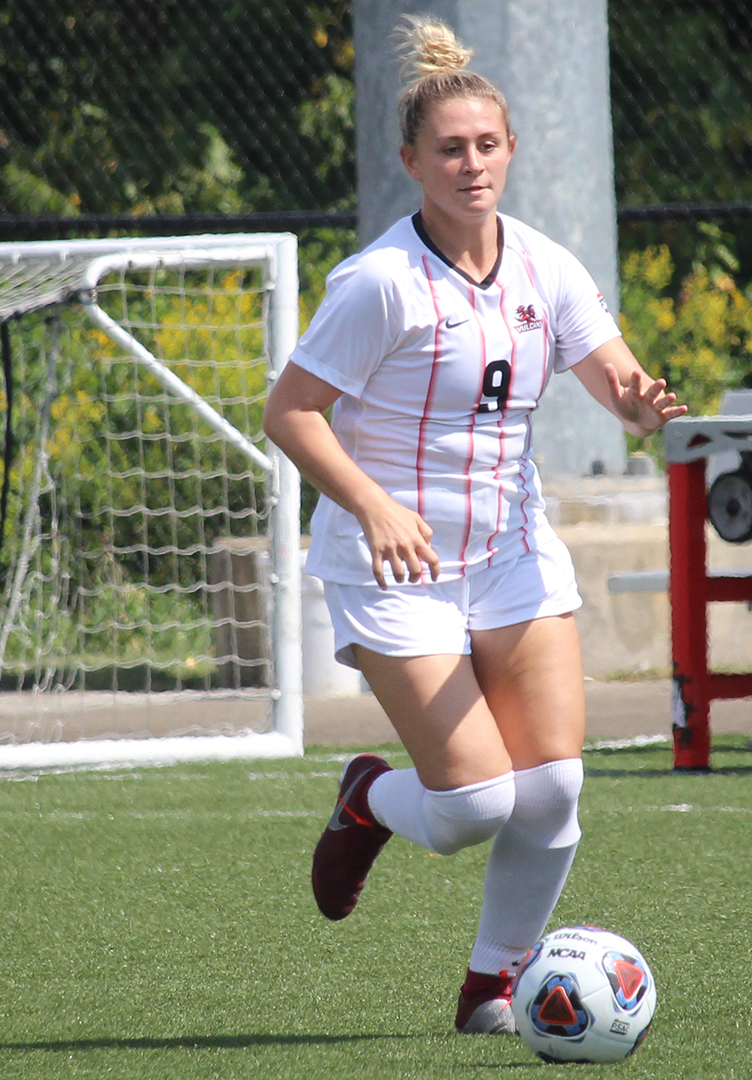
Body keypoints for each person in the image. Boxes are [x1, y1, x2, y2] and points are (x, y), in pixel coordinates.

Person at [261, 17, 685, 1035]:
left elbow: (613, 382)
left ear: (511, 150)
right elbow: (288, 412)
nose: (471, 164)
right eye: (449, 149)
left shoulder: (546, 267)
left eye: (486, 145)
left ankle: (492, 985)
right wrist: (372, 502)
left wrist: (640, 401)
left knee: (552, 791)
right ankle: (368, 798)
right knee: (473, 808)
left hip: (510, 552)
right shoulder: (380, 284)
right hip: (393, 565)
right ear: (411, 162)